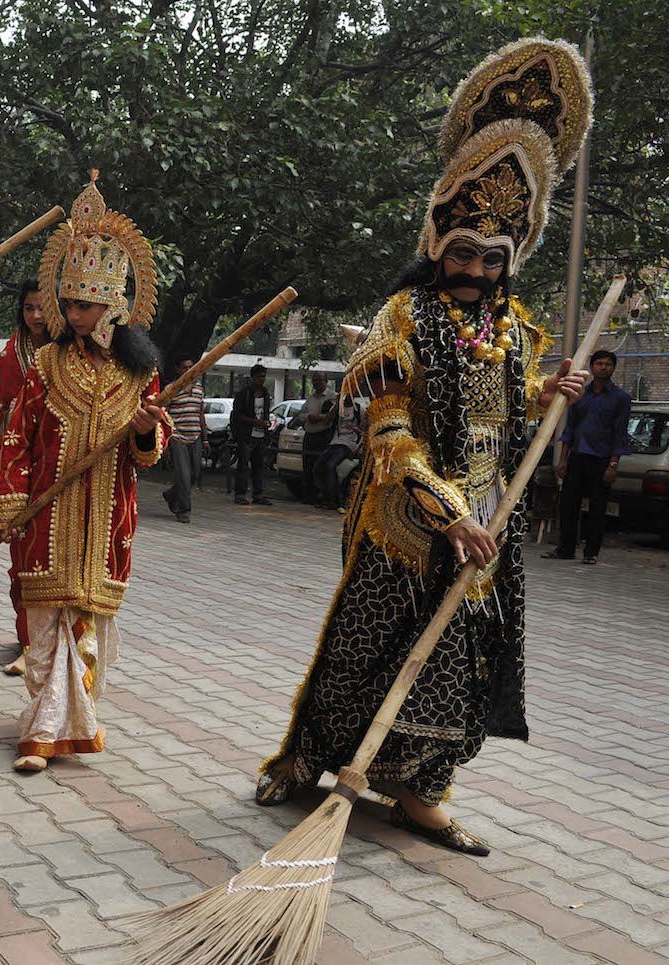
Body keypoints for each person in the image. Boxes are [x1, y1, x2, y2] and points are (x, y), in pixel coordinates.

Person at [256, 38, 592, 856]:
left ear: (511, 260)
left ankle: (420, 785)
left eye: (492, 256)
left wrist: (548, 395)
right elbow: (390, 433)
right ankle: (310, 758)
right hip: (405, 524)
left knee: (462, 659)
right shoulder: (401, 319)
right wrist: (443, 511)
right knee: (362, 653)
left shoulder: (515, 333)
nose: (476, 267)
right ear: (438, 243)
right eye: (463, 251)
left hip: (491, 520)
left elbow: (507, 422)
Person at [0, 173, 170, 775]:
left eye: (83, 304)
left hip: (107, 519)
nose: (70, 314)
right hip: (47, 514)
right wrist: (10, 502)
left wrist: (146, 427)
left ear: (114, 306)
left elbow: (152, 452)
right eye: (66, 303)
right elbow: (16, 436)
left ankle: (69, 721)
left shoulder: (140, 374)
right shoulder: (45, 363)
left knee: (88, 623)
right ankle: (45, 724)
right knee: (44, 622)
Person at [0, 280, 51, 677]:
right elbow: (3, 410)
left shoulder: (67, 350)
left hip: (56, 465)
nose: (35, 317)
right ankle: (28, 640)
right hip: (19, 464)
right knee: (21, 558)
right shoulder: (13, 352)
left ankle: (51, 643)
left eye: (42, 308)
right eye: (29, 308)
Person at [547, 349, 631, 564]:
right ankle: (565, 549)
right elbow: (570, 428)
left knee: (597, 508)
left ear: (613, 368)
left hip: (601, 460)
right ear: (592, 367)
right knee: (568, 504)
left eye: (608, 364)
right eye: (599, 363)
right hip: (577, 456)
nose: (603, 367)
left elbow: (620, 432)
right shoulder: (580, 393)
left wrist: (613, 464)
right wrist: (563, 459)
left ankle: (591, 552)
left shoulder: (621, 398)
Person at [163, 357, 207, 523]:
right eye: (184, 367)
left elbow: (200, 414)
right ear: (177, 369)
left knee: (195, 473)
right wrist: (166, 438)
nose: (188, 370)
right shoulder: (171, 389)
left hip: (195, 435)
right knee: (184, 475)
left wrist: (205, 439)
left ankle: (171, 494)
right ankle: (183, 510)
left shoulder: (199, 389)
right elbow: (164, 414)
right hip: (177, 436)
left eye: (191, 367)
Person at [230, 363, 273, 505]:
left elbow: (266, 412)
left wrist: (266, 424)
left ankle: (258, 493)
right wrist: (255, 422)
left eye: (264, 377)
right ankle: (240, 493)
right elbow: (238, 415)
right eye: (259, 377)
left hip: (261, 436)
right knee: (243, 465)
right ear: (253, 377)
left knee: (259, 466)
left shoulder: (266, 394)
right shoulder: (244, 394)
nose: (262, 379)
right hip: (247, 435)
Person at [314, 394, 364, 509]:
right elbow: (326, 422)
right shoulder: (337, 408)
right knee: (318, 466)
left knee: (331, 466)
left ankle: (334, 499)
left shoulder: (359, 409)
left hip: (348, 443)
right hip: (335, 441)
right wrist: (336, 406)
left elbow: (364, 430)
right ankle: (326, 494)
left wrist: (358, 444)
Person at [299, 374, 337, 502]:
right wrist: (308, 417)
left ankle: (323, 496)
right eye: (314, 380)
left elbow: (331, 417)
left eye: (319, 380)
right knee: (307, 466)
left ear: (326, 381)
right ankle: (308, 495)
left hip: (324, 436)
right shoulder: (310, 398)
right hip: (310, 435)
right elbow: (301, 414)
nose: (316, 382)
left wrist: (319, 417)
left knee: (320, 467)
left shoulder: (332, 397)